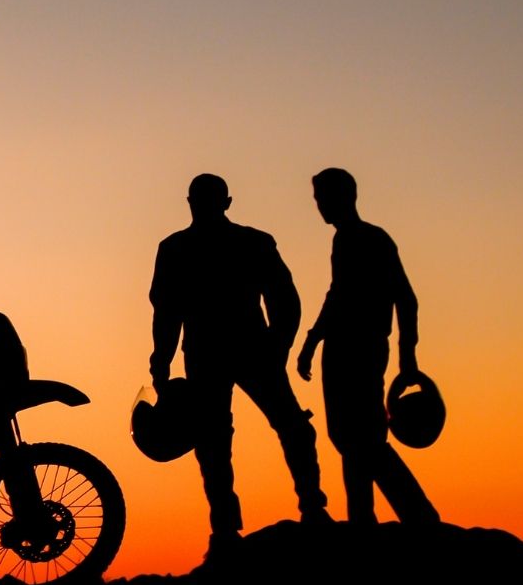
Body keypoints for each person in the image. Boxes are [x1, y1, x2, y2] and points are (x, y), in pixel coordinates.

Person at [150, 174, 331, 550]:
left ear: (190, 201)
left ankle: (233, 527)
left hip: (220, 350)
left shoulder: (179, 248)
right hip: (238, 348)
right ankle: (303, 509)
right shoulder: (249, 243)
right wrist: (277, 346)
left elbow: (167, 313)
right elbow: (286, 300)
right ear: (227, 202)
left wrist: (162, 364)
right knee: (275, 429)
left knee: (232, 437)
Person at [297, 168, 440, 526]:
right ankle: (362, 518)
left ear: (345, 197)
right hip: (343, 348)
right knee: (349, 438)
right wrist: (314, 339)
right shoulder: (344, 240)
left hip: (360, 351)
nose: (320, 206)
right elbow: (338, 294)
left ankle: (419, 515)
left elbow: (406, 299)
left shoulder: (370, 239)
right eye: (317, 200)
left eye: (323, 198)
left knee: (365, 441)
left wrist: (408, 358)